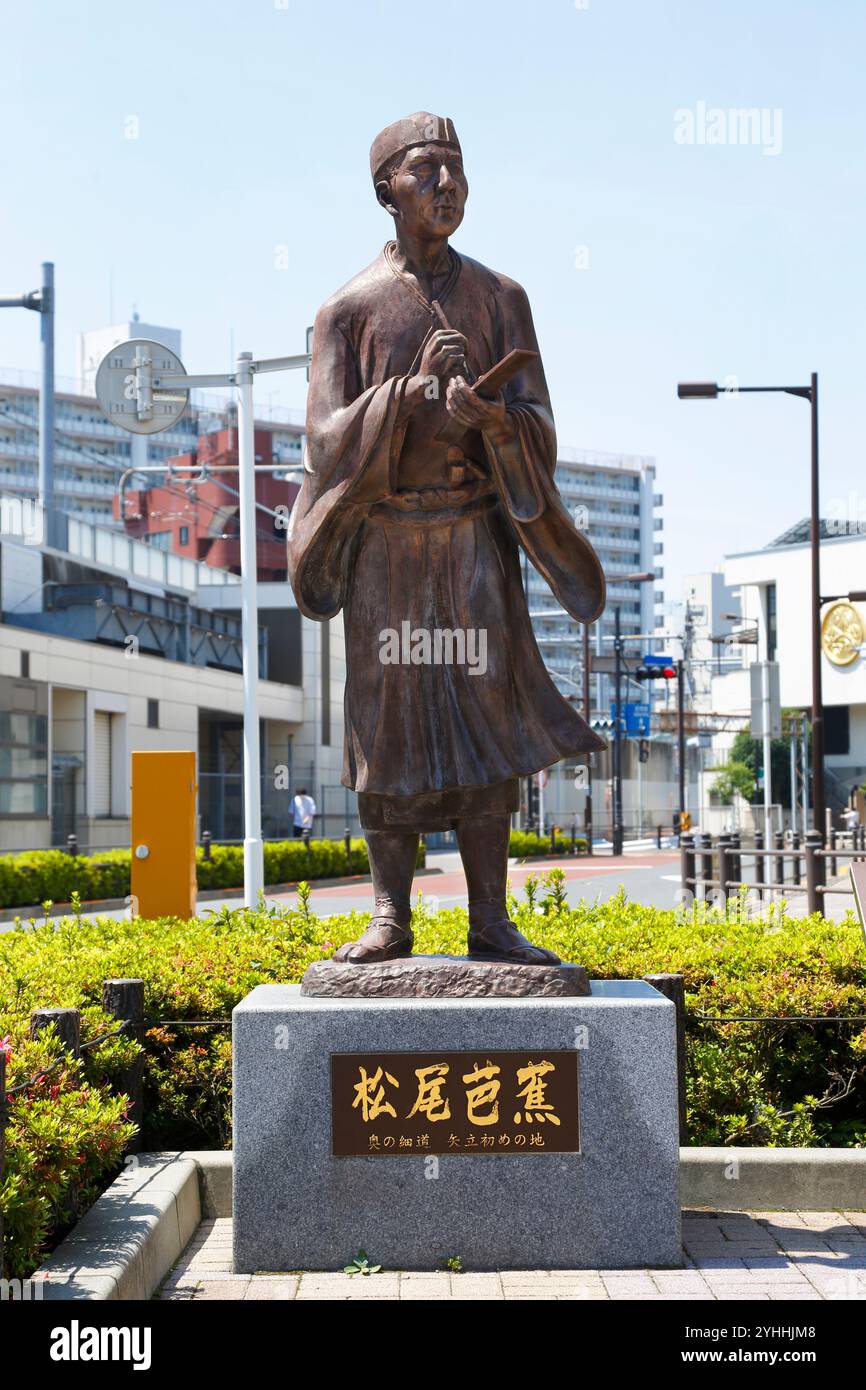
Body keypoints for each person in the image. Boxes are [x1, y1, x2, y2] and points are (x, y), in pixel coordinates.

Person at [287, 112, 605, 964]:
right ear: (385, 188)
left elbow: (541, 425)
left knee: (484, 716)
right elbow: (321, 441)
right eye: (425, 170)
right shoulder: (346, 310)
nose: (446, 184)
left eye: (456, 168)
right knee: (387, 725)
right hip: (387, 547)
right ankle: (391, 916)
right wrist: (411, 396)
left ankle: (491, 920)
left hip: (473, 545)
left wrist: (494, 421)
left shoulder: (503, 299)